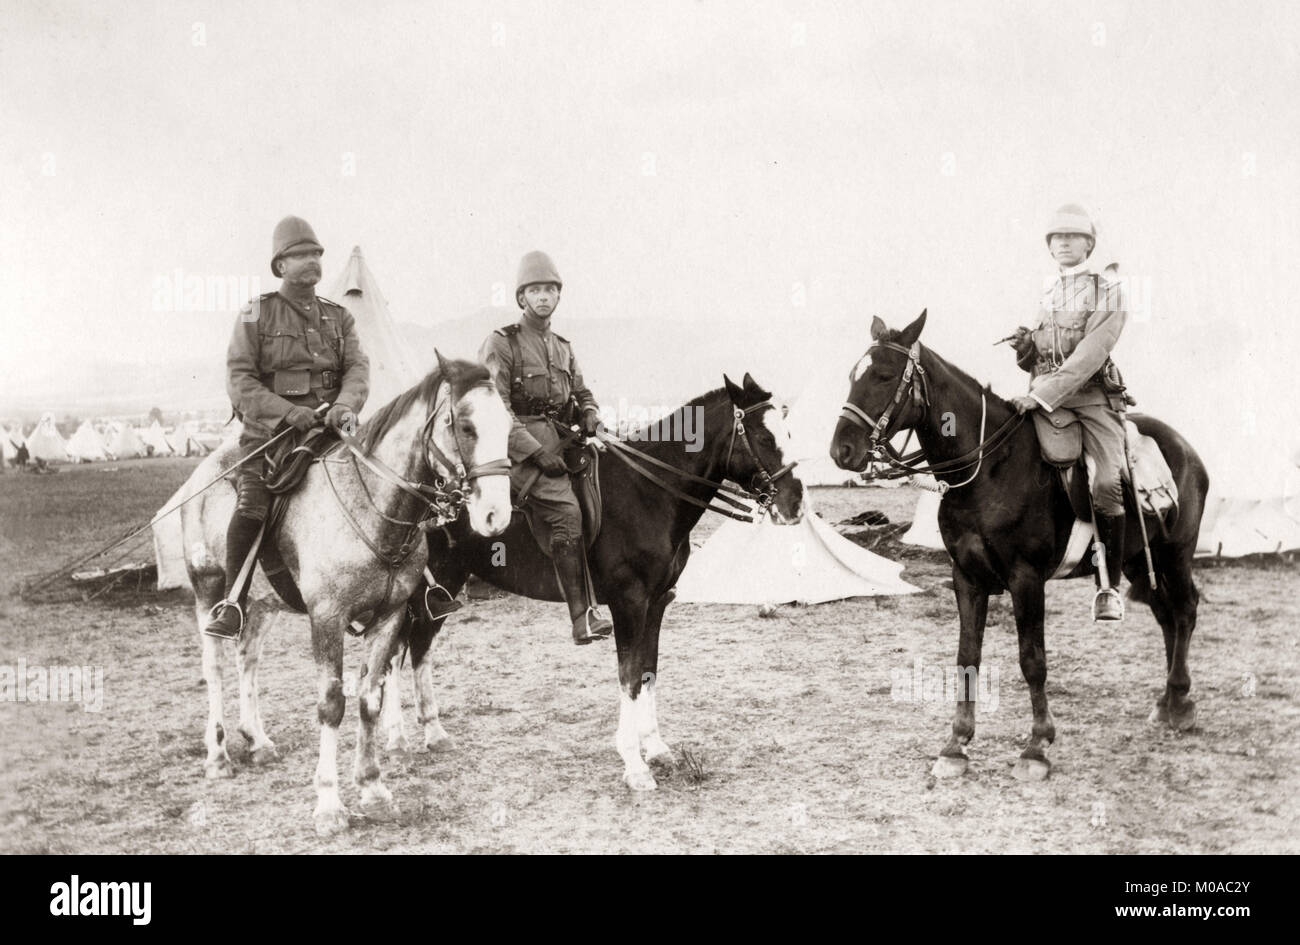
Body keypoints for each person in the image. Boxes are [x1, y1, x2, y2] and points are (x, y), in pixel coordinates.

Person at [205, 216, 370, 639]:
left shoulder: (339, 317)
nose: (312, 260)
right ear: (280, 265)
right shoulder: (255, 313)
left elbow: (357, 368)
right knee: (250, 508)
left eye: (316, 253)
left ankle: (419, 586)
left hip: (331, 431)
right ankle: (233, 602)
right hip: (271, 436)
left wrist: (345, 406)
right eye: (301, 254)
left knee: (387, 486)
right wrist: (287, 412)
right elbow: (240, 380)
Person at [478, 251, 613, 645]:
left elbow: (583, 391)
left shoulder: (563, 347)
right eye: (534, 290)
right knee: (567, 511)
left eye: (549, 290)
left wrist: (589, 413)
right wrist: (536, 452)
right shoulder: (503, 342)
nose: (542, 297)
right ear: (521, 298)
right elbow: (494, 406)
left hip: (565, 440)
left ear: (558, 296)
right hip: (516, 451)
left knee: (612, 482)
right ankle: (581, 616)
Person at [1010, 203, 1129, 621]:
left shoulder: (1109, 289)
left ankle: (1109, 586)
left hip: (1092, 400)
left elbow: (1090, 354)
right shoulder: (1050, 291)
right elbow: (1046, 352)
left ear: (1089, 244)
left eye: (1071, 236)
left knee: (1106, 482)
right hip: (1044, 393)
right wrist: (1027, 351)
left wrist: (1041, 394)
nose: (1062, 242)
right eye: (1055, 237)